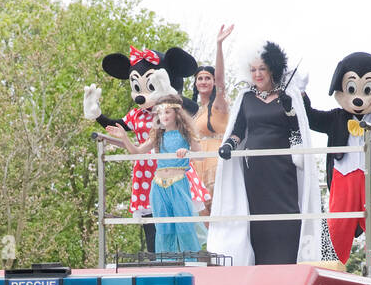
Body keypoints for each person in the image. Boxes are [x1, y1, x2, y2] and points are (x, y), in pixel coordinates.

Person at [207, 40, 323, 266]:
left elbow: (298, 133)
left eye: (262, 69)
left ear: (272, 69)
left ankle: (289, 262)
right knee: (257, 218)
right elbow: (238, 130)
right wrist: (229, 145)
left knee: (287, 216)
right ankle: (260, 265)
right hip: (255, 170)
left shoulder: (288, 96)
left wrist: (290, 110)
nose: (257, 74)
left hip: (282, 168)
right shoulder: (246, 98)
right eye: (253, 70)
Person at [113, 97, 209, 254]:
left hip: (178, 183)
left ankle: (191, 260)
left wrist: (188, 153)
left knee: (184, 225)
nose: (163, 116)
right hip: (158, 185)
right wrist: (124, 137)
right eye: (160, 113)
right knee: (163, 227)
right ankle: (167, 261)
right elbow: (137, 151)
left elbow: (200, 156)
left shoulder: (187, 134)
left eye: (167, 112)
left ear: (177, 113)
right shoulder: (157, 135)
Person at [190, 23, 234, 200]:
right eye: (199, 78)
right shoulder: (194, 111)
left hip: (215, 163)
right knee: (202, 217)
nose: (203, 81)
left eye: (207, 78)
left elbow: (222, 82)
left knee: (216, 210)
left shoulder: (219, 104)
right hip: (196, 164)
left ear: (213, 81)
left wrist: (219, 46)